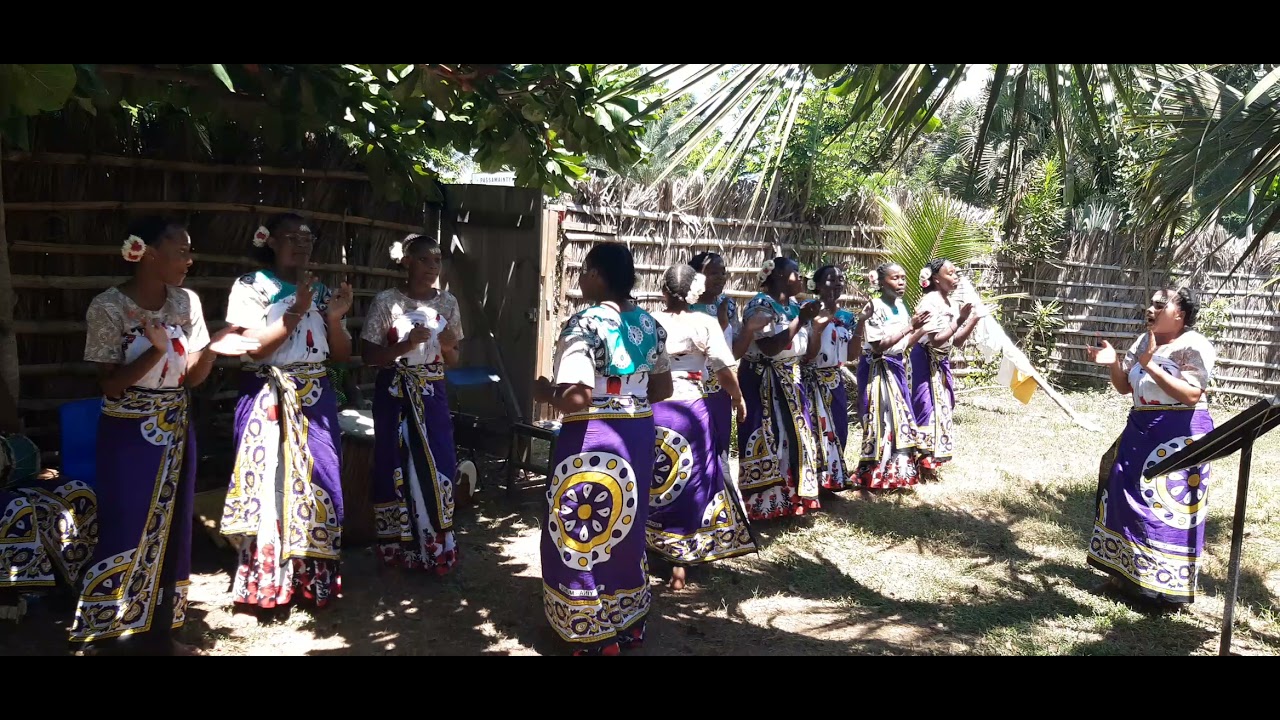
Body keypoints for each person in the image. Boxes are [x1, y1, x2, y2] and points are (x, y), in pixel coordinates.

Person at [69, 216, 258, 654]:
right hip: (127, 431)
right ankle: (105, 636)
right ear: (147, 253)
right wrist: (156, 350)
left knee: (173, 529)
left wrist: (212, 348)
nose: (190, 260)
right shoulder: (108, 307)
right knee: (124, 525)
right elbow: (111, 385)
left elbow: (189, 379)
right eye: (182, 251)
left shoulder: (186, 303)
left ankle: (160, 634)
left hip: (176, 429)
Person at [533, 242, 672, 656]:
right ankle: (626, 621)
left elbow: (574, 398)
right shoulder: (649, 325)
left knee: (578, 526)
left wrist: (543, 391)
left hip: (592, 436)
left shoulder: (585, 324)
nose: (579, 280)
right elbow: (662, 388)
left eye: (582, 272)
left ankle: (588, 630)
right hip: (638, 435)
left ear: (595, 274)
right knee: (624, 526)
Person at [221, 213, 354, 617]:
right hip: (269, 394)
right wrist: (297, 309)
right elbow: (254, 349)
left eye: (307, 237)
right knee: (270, 487)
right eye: (291, 237)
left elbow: (342, 356)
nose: (301, 244)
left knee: (321, 482)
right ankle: (268, 584)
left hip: (316, 395)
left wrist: (333, 318)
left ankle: (314, 580)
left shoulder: (322, 288)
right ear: (270, 242)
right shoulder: (250, 287)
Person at [1085, 287, 1216, 607]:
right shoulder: (1144, 341)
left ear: (1180, 314)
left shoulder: (1194, 345)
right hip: (1140, 430)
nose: (1152, 309)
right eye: (1151, 304)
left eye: (1161, 304)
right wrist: (1114, 362)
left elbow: (1191, 395)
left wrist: (1152, 364)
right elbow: (1124, 386)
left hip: (1178, 436)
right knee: (1122, 497)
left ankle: (1161, 591)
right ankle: (1124, 578)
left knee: (1163, 509)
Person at [648, 264, 756, 591]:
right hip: (691, 408)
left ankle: (646, 546)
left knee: (651, 476)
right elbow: (724, 369)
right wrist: (737, 398)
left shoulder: (648, 320)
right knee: (691, 478)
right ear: (695, 291)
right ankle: (680, 562)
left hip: (652, 407)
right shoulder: (705, 322)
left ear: (663, 290)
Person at [362, 234, 462, 574]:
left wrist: (448, 347)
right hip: (393, 391)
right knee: (393, 461)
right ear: (406, 261)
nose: (431, 268)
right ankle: (398, 547)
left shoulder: (447, 303)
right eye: (423, 260)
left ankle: (436, 546)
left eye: (437, 261)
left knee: (439, 461)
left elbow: (455, 360)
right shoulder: (385, 302)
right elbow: (369, 356)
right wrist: (402, 347)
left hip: (432, 393)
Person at [0, 379, 96, 622]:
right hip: (8, 493)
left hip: (10, 479)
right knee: (16, 509)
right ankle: (12, 596)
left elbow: (11, 425)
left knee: (77, 492)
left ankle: (68, 581)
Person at [735, 257, 822, 519]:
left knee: (793, 438)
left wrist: (812, 324)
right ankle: (765, 506)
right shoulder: (760, 306)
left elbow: (806, 352)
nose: (800, 278)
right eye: (796, 273)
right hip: (762, 380)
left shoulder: (795, 306)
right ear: (781, 276)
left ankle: (792, 500)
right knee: (767, 438)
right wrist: (801, 320)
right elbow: (770, 348)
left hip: (790, 379)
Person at [855, 262, 931, 490]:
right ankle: (876, 472)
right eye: (895, 278)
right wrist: (910, 326)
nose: (900, 283)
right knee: (880, 418)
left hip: (896, 366)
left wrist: (923, 329)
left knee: (899, 418)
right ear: (880, 282)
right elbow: (878, 346)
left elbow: (902, 343)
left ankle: (898, 472)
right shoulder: (874, 307)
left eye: (903, 278)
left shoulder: (900, 306)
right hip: (877, 370)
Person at [910, 259, 980, 479]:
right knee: (925, 407)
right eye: (950, 273)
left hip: (940, 362)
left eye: (956, 273)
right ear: (936, 278)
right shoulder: (929, 302)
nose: (955, 277)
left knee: (942, 408)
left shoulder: (948, 302)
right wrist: (959, 319)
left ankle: (932, 460)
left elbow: (955, 341)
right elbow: (937, 340)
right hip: (924, 360)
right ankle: (921, 463)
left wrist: (973, 319)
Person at [802, 265, 860, 492]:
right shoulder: (806, 310)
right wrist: (817, 327)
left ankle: (832, 479)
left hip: (835, 379)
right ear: (815, 285)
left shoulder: (847, 317)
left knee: (839, 428)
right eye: (830, 279)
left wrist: (862, 323)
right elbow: (807, 353)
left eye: (840, 280)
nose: (836, 284)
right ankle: (813, 481)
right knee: (815, 431)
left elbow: (853, 355)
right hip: (811, 380)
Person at [688, 252, 740, 462]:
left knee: (720, 447)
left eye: (722, 272)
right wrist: (721, 323)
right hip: (694, 389)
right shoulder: (686, 308)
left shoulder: (728, 305)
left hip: (720, 388)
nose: (720, 277)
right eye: (712, 273)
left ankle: (720, 491)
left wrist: (750, 331)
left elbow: (733, 352)